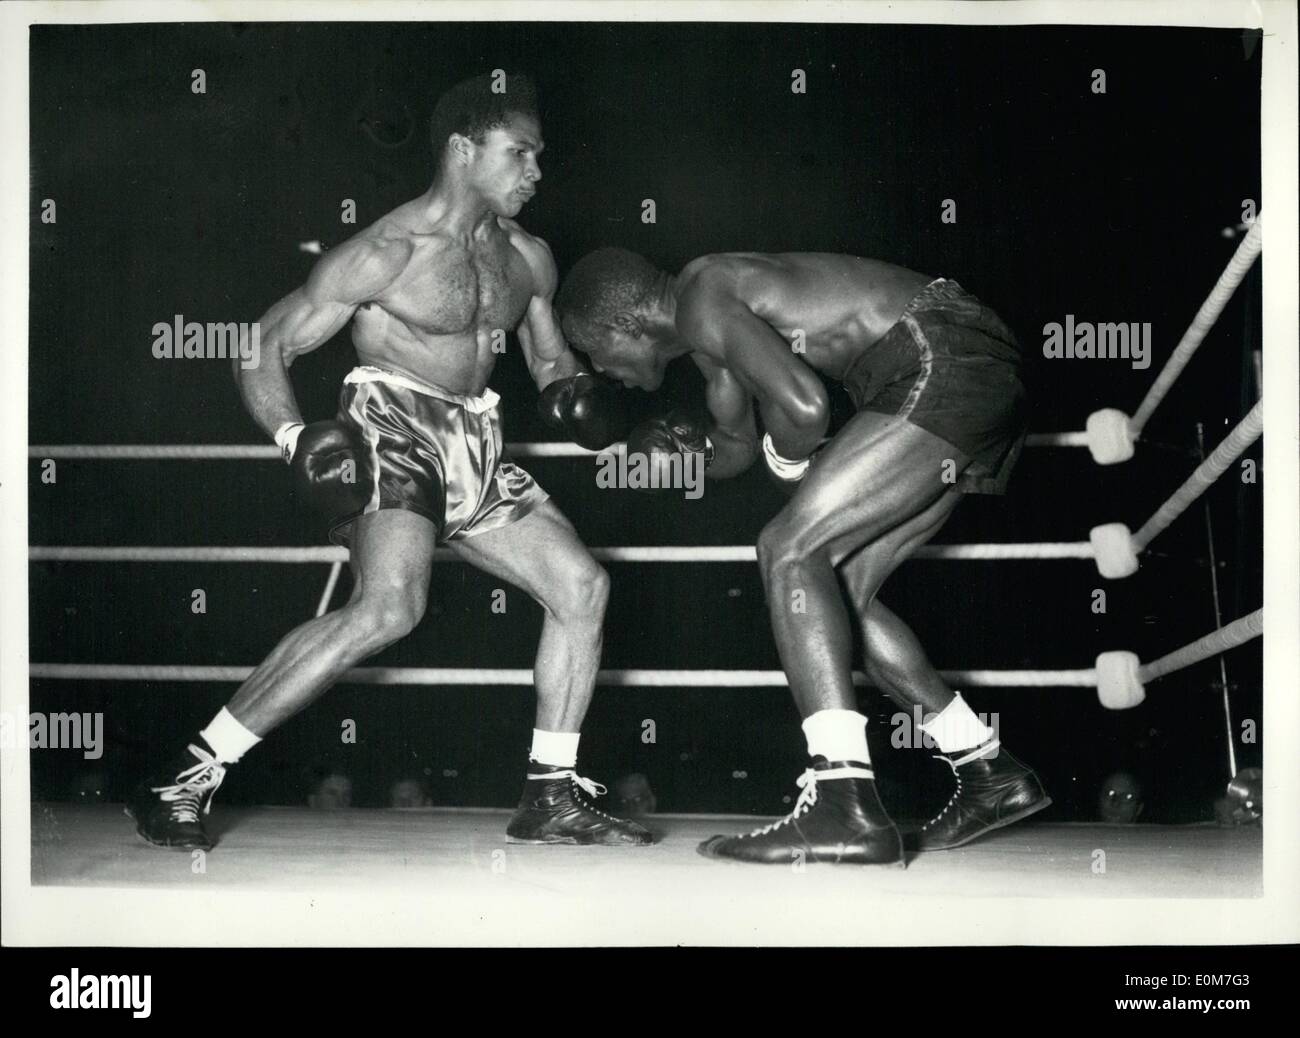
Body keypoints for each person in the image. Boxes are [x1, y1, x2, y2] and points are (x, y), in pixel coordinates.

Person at [127, 73, 650, 852]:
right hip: (392, 426)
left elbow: (548, 362)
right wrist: (294, 438)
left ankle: (550, 792)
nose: (536, 171)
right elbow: (261, 346)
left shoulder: (528, 259)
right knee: (388, 608)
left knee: (582, 586)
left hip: (477, 438)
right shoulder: (385, 251)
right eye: (520, 153)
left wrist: (584, 398)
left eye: (539, 155)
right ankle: (187, 776)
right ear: (463, 149)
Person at [556, 247, 1050, 865]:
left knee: (786, 550)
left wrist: (793, 465)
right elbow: (737, 446)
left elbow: (805, 409)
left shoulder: (704, 292)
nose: (607, 375)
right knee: (839, 594)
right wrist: (674, 460)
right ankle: (987, 770)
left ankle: (844, 800)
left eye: (597, 358)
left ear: (619, 325)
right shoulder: (711, 340)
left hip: (936, 356)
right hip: (956, 373)